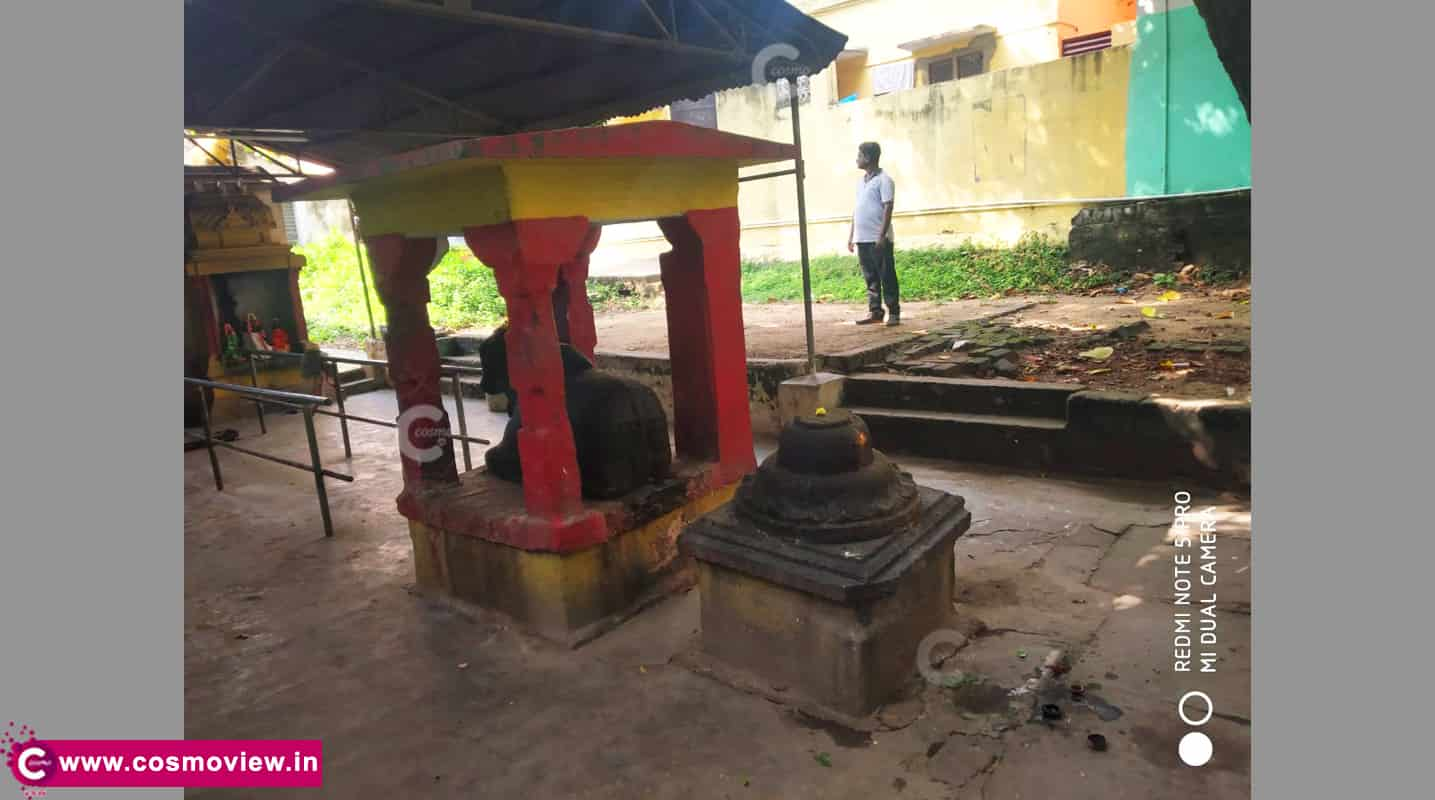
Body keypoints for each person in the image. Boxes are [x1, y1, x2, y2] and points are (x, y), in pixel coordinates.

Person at [847, 141, 900, 326]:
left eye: (859, 155)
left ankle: (893, 312)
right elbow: (857, 210)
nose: (857, 159)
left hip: (878, 238)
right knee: (870, 277)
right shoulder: (861, 182)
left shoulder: (884, 180)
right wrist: (851, 236)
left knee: (886, 275)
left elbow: (888, 207)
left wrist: (881, 236)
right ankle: (875, 311)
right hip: (862, 238)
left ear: (868, 158)